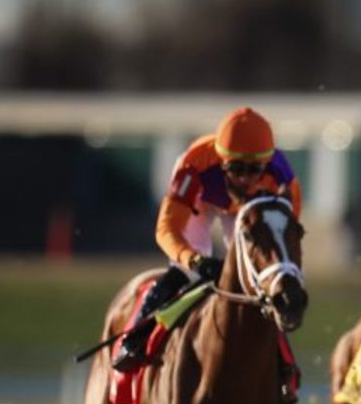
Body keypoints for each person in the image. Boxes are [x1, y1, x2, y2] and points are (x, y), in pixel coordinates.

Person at [112, 106, 303, 372]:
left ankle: (284, 361)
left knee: (262, 281)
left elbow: (285, 238)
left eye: (255, 169)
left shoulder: (283, 177)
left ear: (267, 164)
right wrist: (195, 261)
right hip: (201, 201)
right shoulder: (195, 166)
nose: (245, 178)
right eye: (236, 168)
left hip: (246, 211)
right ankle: (136, 337)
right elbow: (166, 229)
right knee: (185, 272)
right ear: (221, 160)